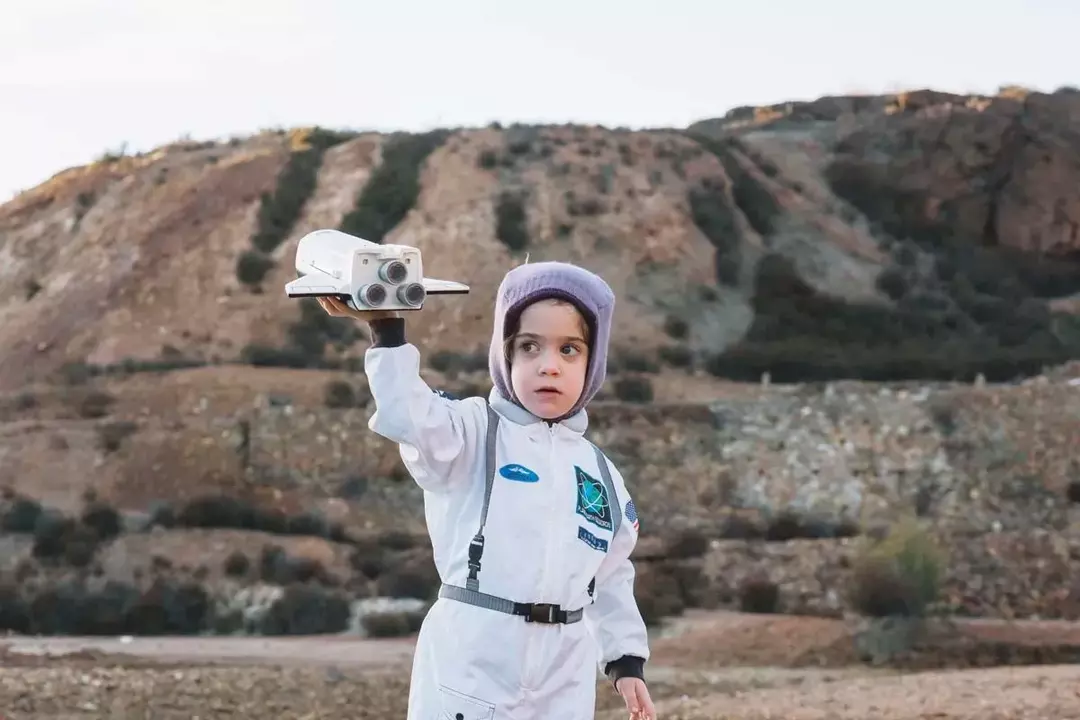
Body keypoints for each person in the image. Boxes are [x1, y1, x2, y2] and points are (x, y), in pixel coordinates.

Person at [318, 260, 656, 720]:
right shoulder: (471, 431)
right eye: (529, 347)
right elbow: (410, 415)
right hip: (473, 658)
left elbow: (610, 573)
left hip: (564, 672)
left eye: (570, 350)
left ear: (593, 363)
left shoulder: (599, 472)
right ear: (505, 355)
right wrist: (387, 330)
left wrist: (626, 660)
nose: (549, 366)